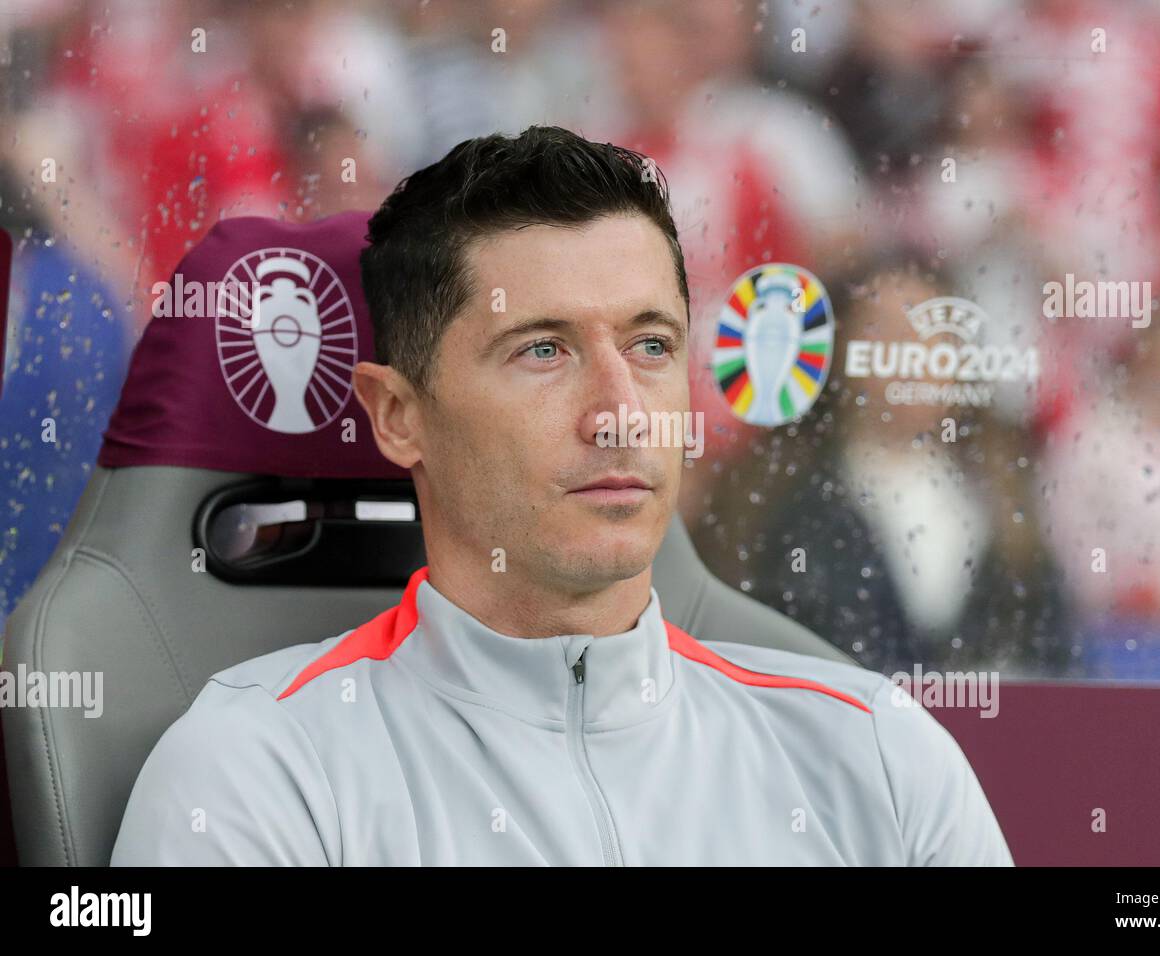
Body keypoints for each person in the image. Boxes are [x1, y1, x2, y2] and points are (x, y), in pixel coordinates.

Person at [111, 126, 1013, 866]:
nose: (620, 413)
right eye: (543, 350)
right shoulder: (261, 776)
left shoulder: (878, 758)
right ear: (397, 415)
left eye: (651, 346)